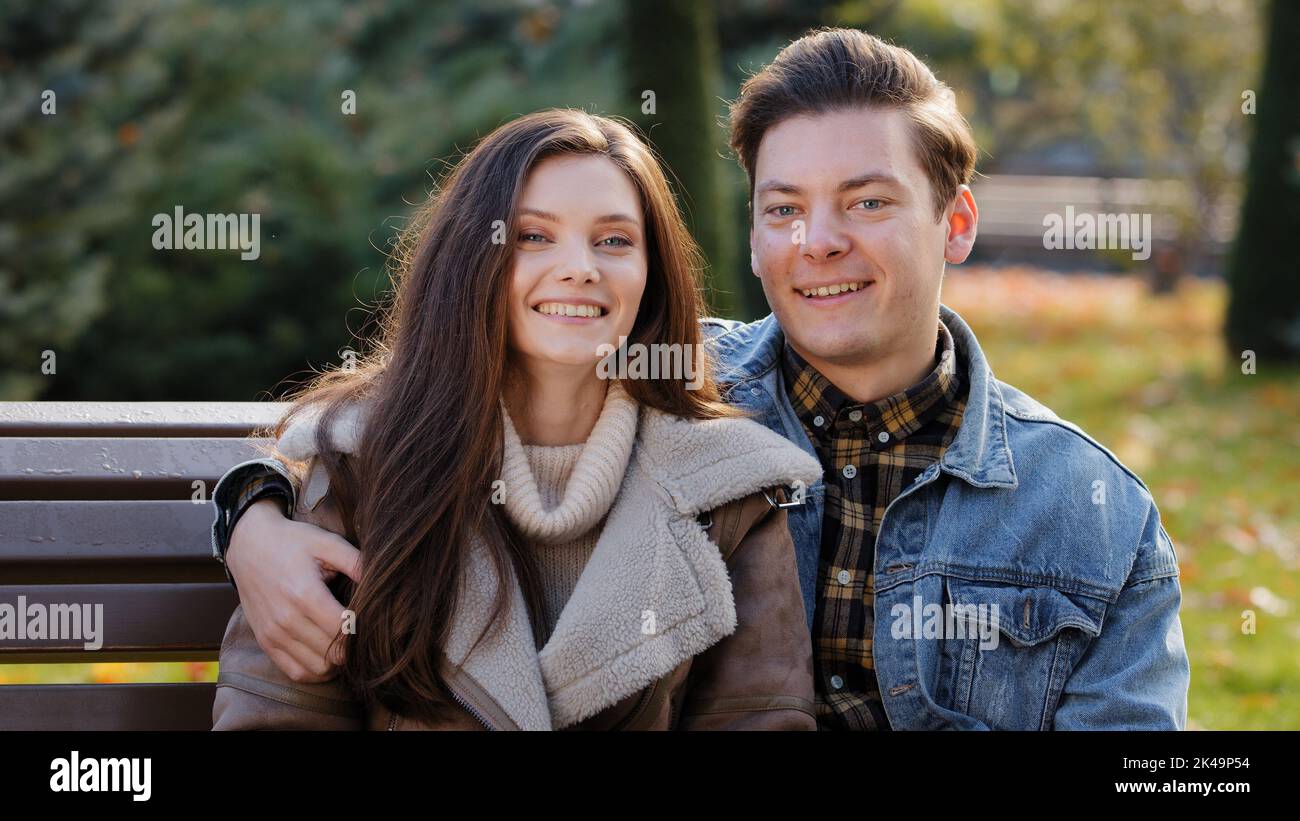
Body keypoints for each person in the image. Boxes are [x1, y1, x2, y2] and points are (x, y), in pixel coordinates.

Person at [216, 28, 1190, 730]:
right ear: (753, 233)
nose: (819, 242)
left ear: (957, 223)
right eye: (783, 208)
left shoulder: (1090, 511)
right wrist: (251, 516)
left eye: (867, 201)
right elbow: (392, 405)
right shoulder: (652, 382)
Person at [210, 109, 822, 730]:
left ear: (651, 275)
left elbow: (759, 720)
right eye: (532, 236)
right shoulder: (361, 466)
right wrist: (249, 510)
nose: (580, 267)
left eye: (614, 240)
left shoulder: (730, 494)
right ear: (473, 258)